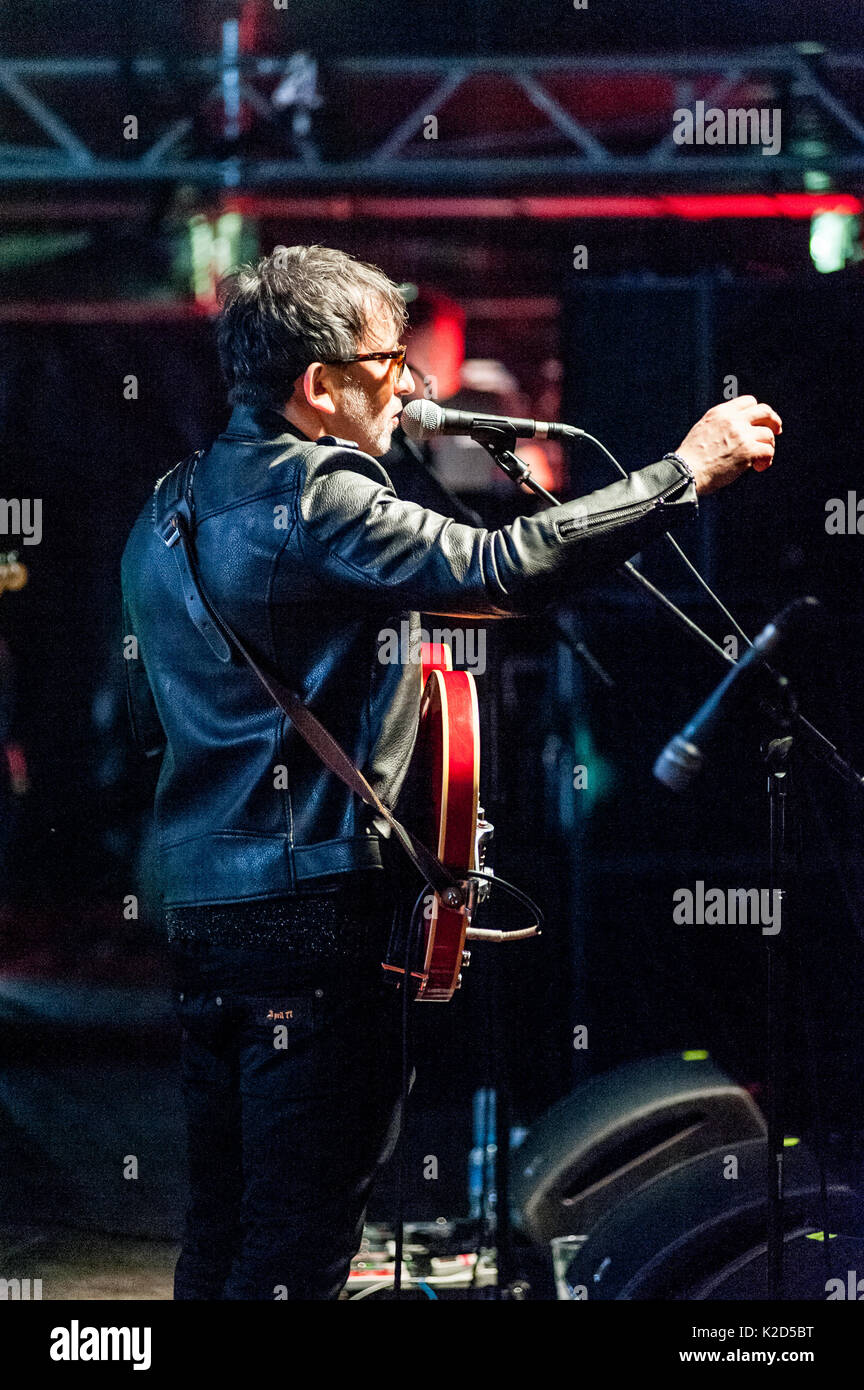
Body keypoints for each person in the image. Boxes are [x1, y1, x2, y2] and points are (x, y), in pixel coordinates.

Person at [120, 244, 781, 1300]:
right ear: (319, 385)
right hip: (310, 913)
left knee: (224, 1219)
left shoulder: (168, 509)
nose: (412, 384)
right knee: (298, 1241)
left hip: (203, 904)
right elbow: (499, 568)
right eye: (389, 360)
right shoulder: (321, 497)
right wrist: (680, 475)